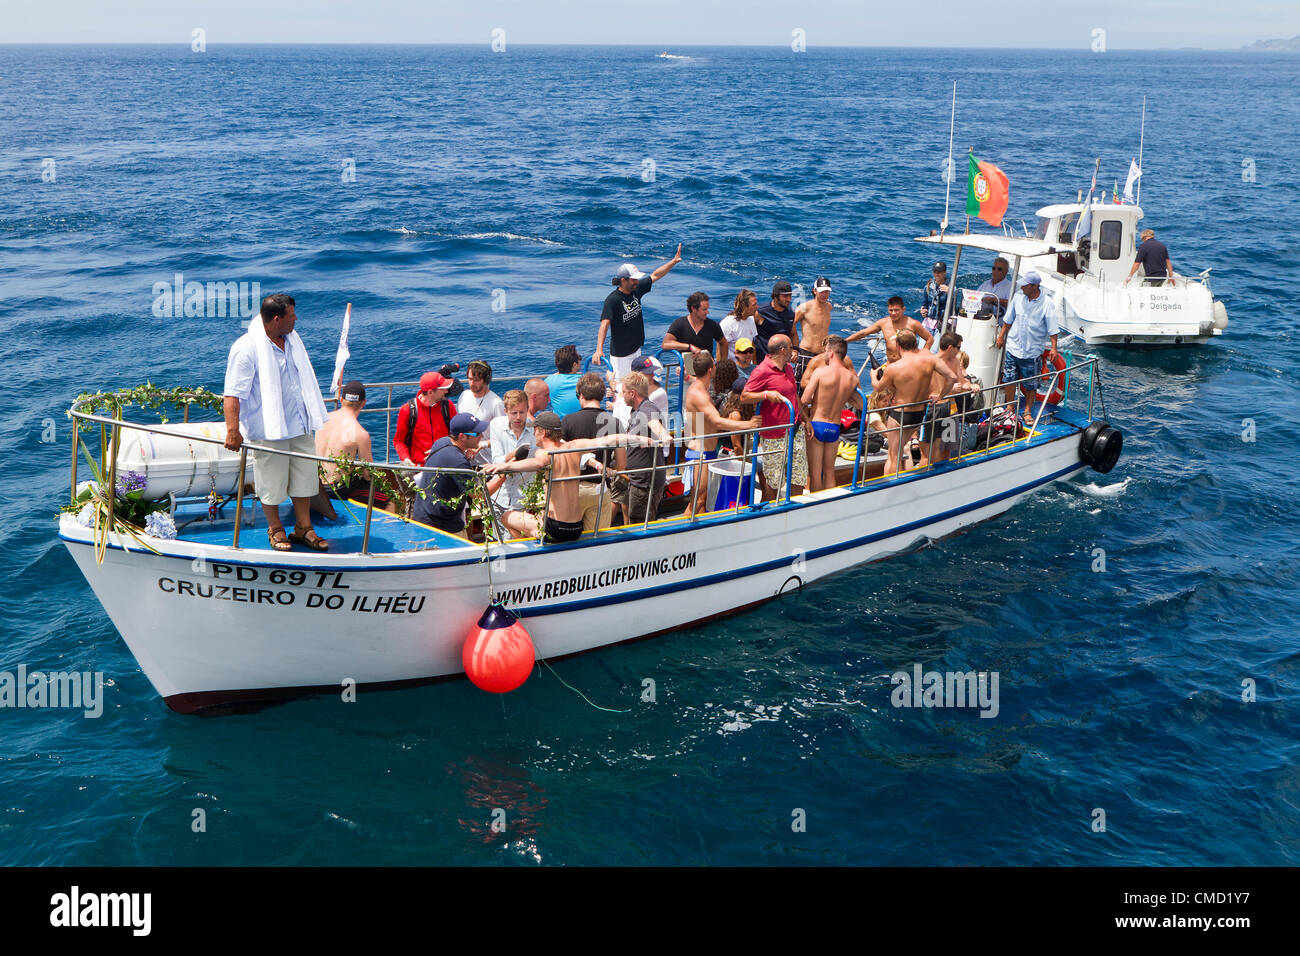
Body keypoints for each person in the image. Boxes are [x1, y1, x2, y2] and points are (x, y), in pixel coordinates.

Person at [223, 293, 331, 552]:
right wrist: (232, 431)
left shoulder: (293, 340)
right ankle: (275, 528)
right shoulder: (246, 348)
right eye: (291, 316)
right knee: (271, 482)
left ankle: (304, 527)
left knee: (305, 478)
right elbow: (233, 393)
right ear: (276, 318)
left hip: (300, 424)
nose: (296, 320)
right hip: (270, 429)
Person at [485, 411, 654, 543]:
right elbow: (609, 439)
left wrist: (504, 466)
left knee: (506, 517)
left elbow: (537, 464)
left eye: (534, 430)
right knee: (537, 516)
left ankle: (529, 555)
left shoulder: (544, 452)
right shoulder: (573, 447)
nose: (533, 433)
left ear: (542, 432)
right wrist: (640, 439)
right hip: (575, 527)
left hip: (555, 530)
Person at [683, 352, 761, 514]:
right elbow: (717, 421)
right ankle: (680, 535)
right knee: (698, 501)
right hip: (700, 454)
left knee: (702, 501)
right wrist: (748, 424)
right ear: (711, 370)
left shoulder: (701, 388)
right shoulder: (699, 394)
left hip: (708, 451)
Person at [873, 330, 958, 474]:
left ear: (898, 346)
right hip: (918, 414)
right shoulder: (929, 361)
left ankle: (890, 485)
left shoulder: (894, 368)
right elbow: (952, 377)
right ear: (915, 344)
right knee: (903, 449)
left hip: (900, 412)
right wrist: (941, 395)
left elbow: (878, 388)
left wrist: (873, 376)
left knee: (894, 455)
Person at [595, 245, 683, 376]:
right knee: (621, 390)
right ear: (623, 280)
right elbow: (604, 324)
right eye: (633, 279)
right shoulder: (612, 300)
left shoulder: (636, 290)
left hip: (636, 350)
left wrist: (673, 262)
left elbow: (655, 275)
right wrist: (599, 349)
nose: (637, 281)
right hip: (621, 357)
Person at [412, 413, 505, 535]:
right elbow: (479, 494)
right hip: (441, 528)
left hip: (422, 518)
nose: (481, 436)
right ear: (462, 437)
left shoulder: (442, 442)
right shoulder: (457, 460)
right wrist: (503, 474)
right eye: (476, 434)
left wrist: (464, 453)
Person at [740, 334, 808, 500]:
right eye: (792, 347)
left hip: (795, 430)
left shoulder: (789, 369)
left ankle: (793, 511)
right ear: (783, 350)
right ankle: (769, 513)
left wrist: (806, 419)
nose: (794, 351)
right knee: (774, 481)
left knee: (798, 477)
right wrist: (766, 394)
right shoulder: (762, 371)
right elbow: (744, 396)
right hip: (774, 435)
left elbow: (794, 396)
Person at [315, 380, 393, 511]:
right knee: (389, 501)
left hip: (317, 485)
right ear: (363, 403)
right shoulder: (360, 433)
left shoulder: (322, 421)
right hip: (338, 489)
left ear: (341, 399)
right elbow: (368, 474)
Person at [562, 372, 625, 532]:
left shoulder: (568, 421)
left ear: (581, 395)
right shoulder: (614, 422)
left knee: (570, 537)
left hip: (573, 488)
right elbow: (622, 464)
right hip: (600, 488)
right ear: (602, 395)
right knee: (598, 537)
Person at [995, 271, 1062, 419]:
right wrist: (1001, 336)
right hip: (1013, 347)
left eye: (1025, 285)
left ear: (1034, 286)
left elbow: (1052, 327)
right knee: (1009, 379)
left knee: (1031, 384)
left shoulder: (1046, 303)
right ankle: (1010, 408)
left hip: (1032, 351)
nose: (1022, 287)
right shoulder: (1018, 297)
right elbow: (1008, 319)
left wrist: (1054, 348)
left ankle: (1027, 412)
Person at [799, 336, 861, 492]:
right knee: (829, 472)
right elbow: (859, 403)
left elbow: (805, 399)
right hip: (834, 427)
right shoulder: (852, 378)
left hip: (817, 425)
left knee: (815, 474)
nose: (824, 354)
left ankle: (817, 509)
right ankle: (830, 504)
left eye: (826, 351)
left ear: (832, 353)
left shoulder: (820, 372)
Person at [620, 371, 672, 523]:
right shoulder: (636, 410)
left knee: (640, 523)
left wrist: (663, 435)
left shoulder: (647, 408)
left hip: (645, 484)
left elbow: (653, 422)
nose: (622, 395)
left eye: (624, 392)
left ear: (633, 393)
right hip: (639, 480)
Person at [925, 332, 978, 464]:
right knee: (931, 450)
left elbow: (961, 381)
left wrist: (970, 385)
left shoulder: (954, 362)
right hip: (934, 410)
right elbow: (924, 389)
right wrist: (949, 391)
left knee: (947, 448)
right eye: (958, 347)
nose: (960, 350)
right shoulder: (931, 362)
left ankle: (942, 474)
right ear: (950, 348)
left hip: (951, 410)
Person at [846, 297, 933, 375]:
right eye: (890, 310)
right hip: (890, 365)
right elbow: (863, 333)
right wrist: (845, 341)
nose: (893, 313)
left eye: (896, 310)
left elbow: (929, 339)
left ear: (903, 309)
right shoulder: (883, 323)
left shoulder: (913, 324)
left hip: (908, 367)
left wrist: (922, 355)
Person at [394, 370, 454, 467]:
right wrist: (406, 459)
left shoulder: (448, 407)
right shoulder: (407, 410)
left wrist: (443, 447)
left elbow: (457, 435)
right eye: (443, 388)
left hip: (445, 464)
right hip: (418, 467)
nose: (446, 391)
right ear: (430, 392)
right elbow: (398, 441)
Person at [488, 389, 534, 514]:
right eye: (514, 413)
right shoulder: (496, 425)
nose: (518, 417)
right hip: (501, 497)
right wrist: (514, 454)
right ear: (505, 412)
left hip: (527, 498)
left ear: (528, 409)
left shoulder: (536, 429)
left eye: (522, 412)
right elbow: (496, 460)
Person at [662, 291, 727, 366]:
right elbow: (665, 344)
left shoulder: (713, 325)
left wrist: (722, 364)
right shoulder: (679, 324)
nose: (707, 312)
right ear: (693, 309)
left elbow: (723, 343)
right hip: (688, 368)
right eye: (704, 309)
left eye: (707, 309)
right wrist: (689, 347)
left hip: (707, 369)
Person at [792, 276, 834, 380]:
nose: (825, 294)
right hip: (806, 354)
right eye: (822, 291)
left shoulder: (829, 307)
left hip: (822, 355)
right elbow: (790, 326)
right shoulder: (804, 308)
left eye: (827, 291)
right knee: (799, 386)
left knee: (820, 387)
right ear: (814, 291)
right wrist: (794, 349)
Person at [754, 280, 796, 359]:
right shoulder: (760, 312)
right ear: (775, 296)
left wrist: (795, 351)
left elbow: (793, 334)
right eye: (785, 296)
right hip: (763, 361)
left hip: (782, 362)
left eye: (790, 296)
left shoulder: (791, 313)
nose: (789, 299)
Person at [457, 359, 504, 424]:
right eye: (470, 379)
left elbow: (501, 429)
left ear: (486, 380)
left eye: (476, 380)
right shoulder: (464, 395)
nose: (472, 383)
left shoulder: (496, 404)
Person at [544, 344, 584, 417]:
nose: (581, 360)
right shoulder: (584, 380)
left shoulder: (549, 381)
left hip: (560, 425)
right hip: (582, 423)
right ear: (574, 365)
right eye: (579, 358)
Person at [719, 288, 759, 354]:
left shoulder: (751, 320)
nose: (757, 307)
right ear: (744, 306)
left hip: (748, 363)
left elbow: (752, 345)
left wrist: (754, 364)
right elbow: (720, 346)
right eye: (754, 305)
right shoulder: (727, 323)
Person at [920, 260, 952, 332]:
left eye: (939, 272)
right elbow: (924, 305)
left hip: (943, 322)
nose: (937, 274)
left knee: (937, 342)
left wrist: (950, 293)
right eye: (935, 272)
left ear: (945, 272)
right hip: (929, 322)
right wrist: (923, 310)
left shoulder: (951, 287)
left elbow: (954, 307)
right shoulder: (928, 286)